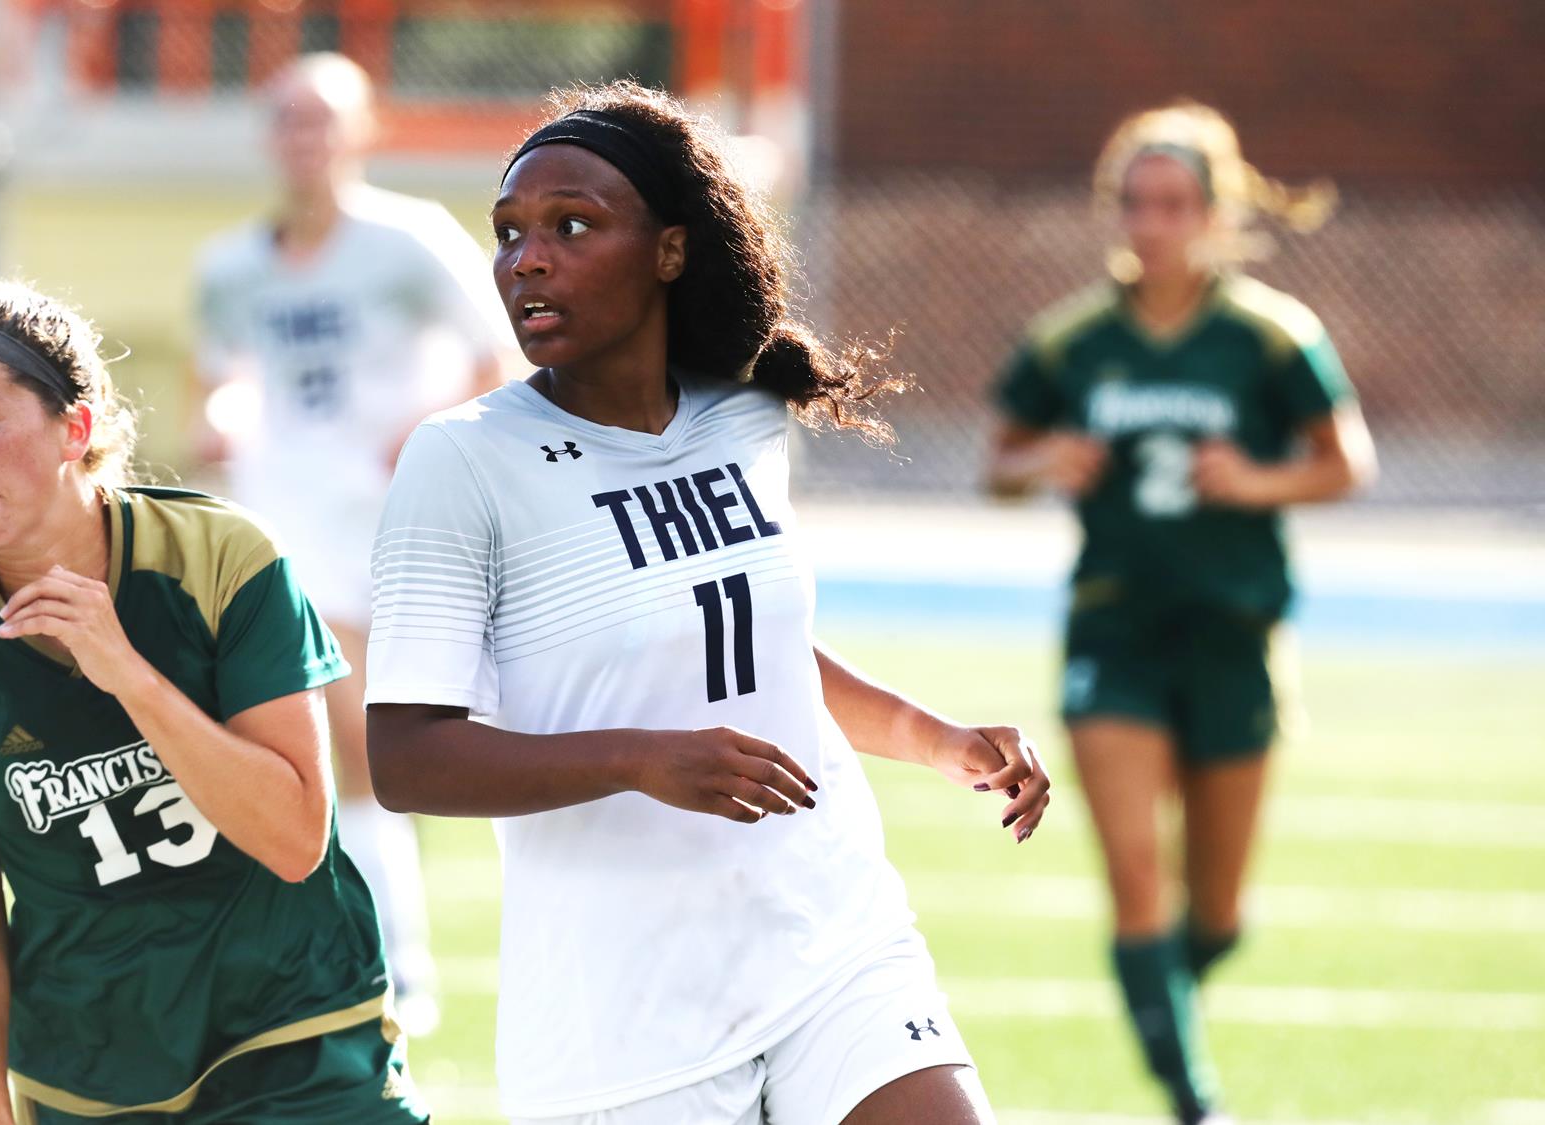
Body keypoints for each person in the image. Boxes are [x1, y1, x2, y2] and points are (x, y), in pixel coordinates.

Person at [364, 82, 1051, 1125]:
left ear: (671, 250)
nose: (526, 259)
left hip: (828, 939)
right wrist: (638, 758)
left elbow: (750, 643)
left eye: (571, 225)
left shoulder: (744, 417)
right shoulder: (462, 461)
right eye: (508, 233)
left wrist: (932, 737)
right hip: (626, 1013)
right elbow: (407, 758)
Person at [0, 281, 426, 1125]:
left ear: (76, 427)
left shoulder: (222, 558)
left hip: (298, 1034)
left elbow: (293, 838)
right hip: (91, 1073)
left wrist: (127, 672)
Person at [985, 101, 1377, 1125]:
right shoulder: (1071, 338)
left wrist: (1254, 481)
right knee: (1135, 880)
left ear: (1214, 213)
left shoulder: (1269, 336)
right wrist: (1046, 460)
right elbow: (998, 463)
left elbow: (1347, 464)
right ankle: (1196, 1104)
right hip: (1114, 633)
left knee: (1217, 916)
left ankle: (1164, 994)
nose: (1150, 224)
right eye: (1134, 203)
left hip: (1234, 636)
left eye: (1171, 204)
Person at [192, 52, 512, 1030]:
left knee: (410, 742)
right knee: (330, 737)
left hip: (400, 524)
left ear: (364, 130)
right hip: (289, 525)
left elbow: (498, 358)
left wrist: (419, 431)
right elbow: (221, 383)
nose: (306, 139)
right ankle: (384, 962)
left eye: (323, 119)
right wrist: (220, 424)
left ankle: (391, 955)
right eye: (288, 119)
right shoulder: (229, 266)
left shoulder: (409, 242)